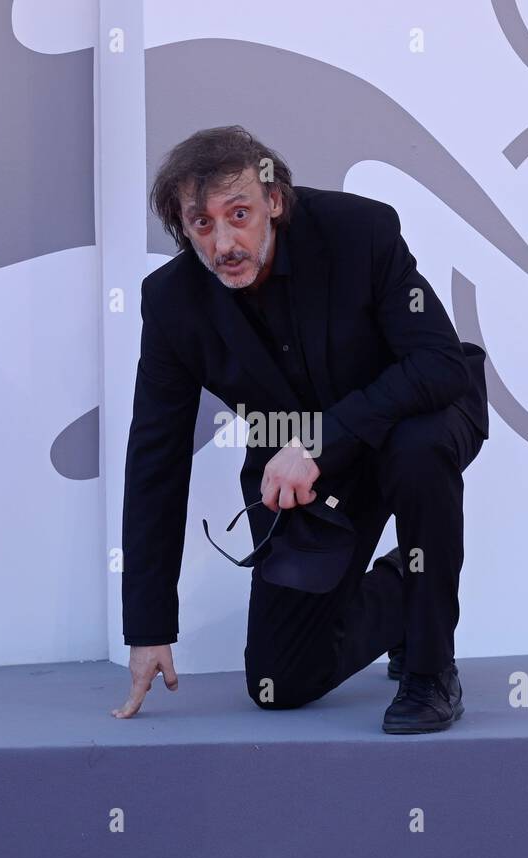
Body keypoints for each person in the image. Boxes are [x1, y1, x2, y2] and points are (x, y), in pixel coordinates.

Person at [111, 125, 488, 733]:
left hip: (412, 416)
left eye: (240, 215)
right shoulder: (173, 303)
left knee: (418, 452)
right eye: (202, 225)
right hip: (298, 471)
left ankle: (429, 665)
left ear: (275, 202)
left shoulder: (360, 231)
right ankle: (402, 592)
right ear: (184, 229)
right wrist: (149, 627)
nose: (225, 242)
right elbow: (156, 458)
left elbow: (439, 363)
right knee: (279, 682)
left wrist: (318, 441)